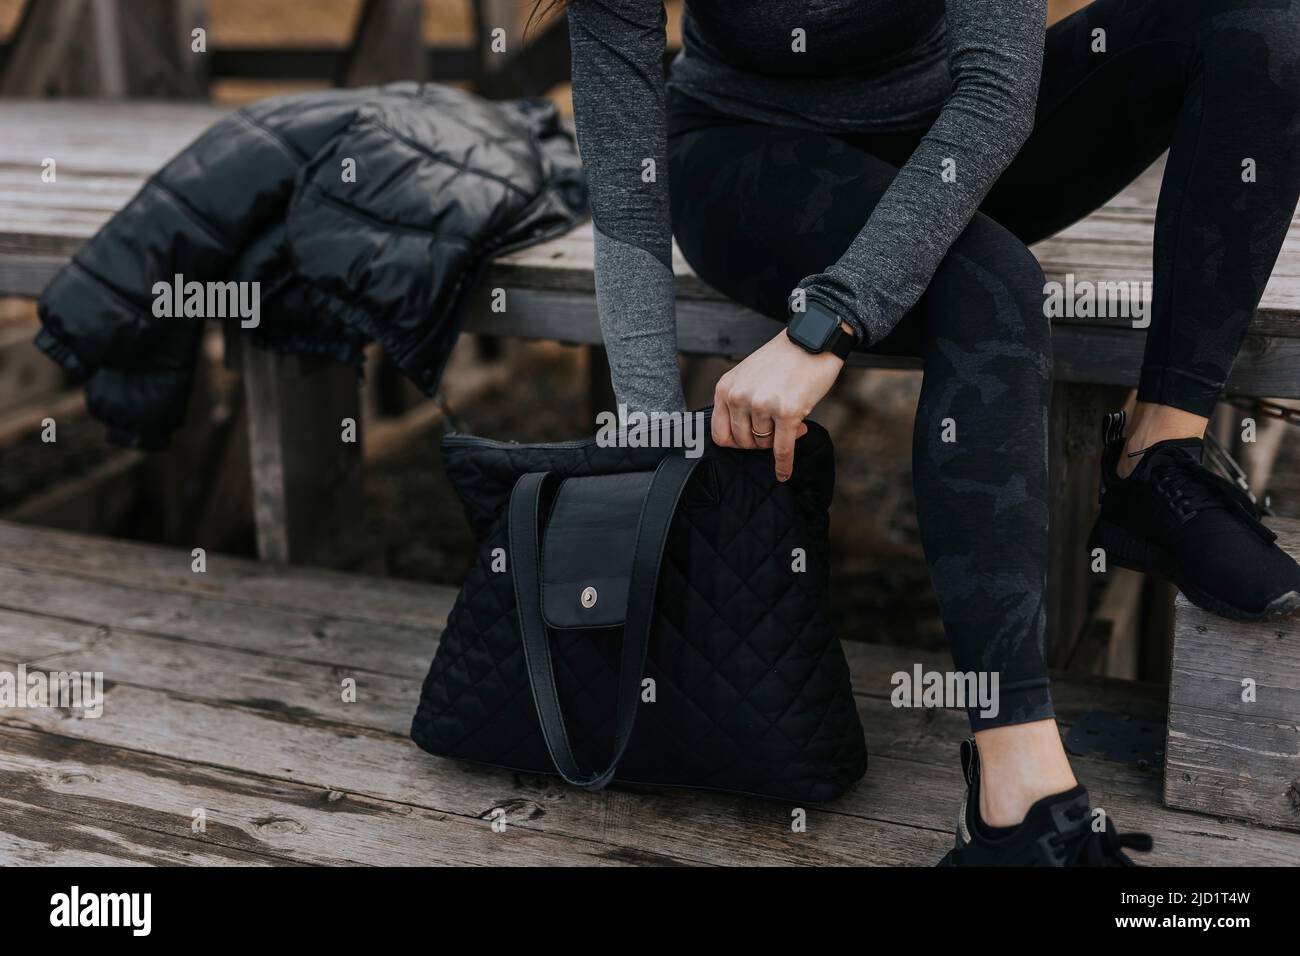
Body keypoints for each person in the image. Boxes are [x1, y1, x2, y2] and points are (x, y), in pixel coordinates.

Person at [553, 0, 1300, 865]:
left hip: (963, 130)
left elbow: (996, 89)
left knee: (1264, 21)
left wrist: (829, 321)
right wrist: (654, 452)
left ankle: (1157, 457)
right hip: (748, 154)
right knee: (990, 283)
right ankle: (1016, 798)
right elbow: (628, 184)